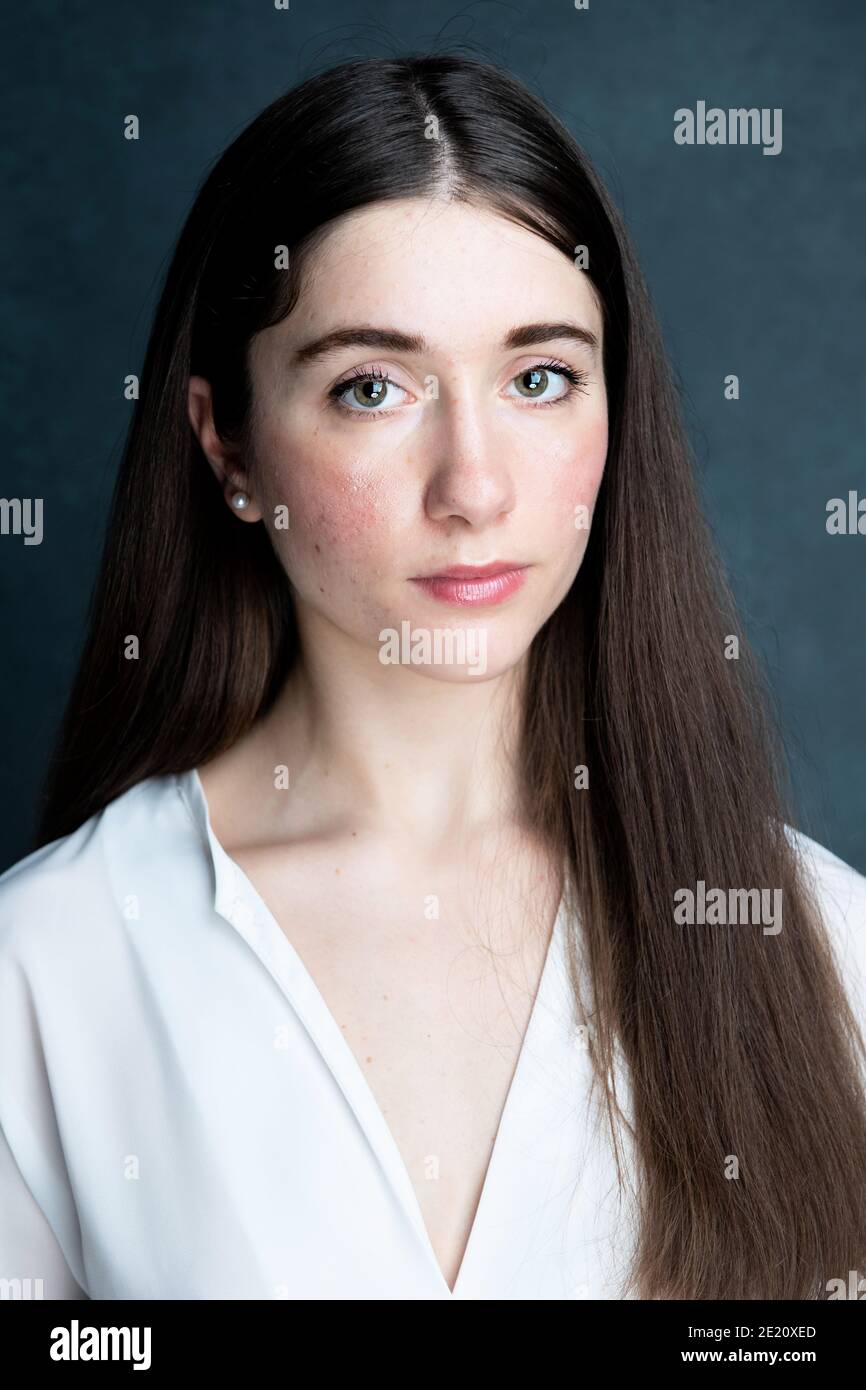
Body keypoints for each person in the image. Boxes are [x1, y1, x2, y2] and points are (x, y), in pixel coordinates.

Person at [1, 54, 865, 1302]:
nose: (473, 486)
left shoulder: (820, 948)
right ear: (226, 443)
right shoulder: (50, 972)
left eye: (538, 378)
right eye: (372, 387)